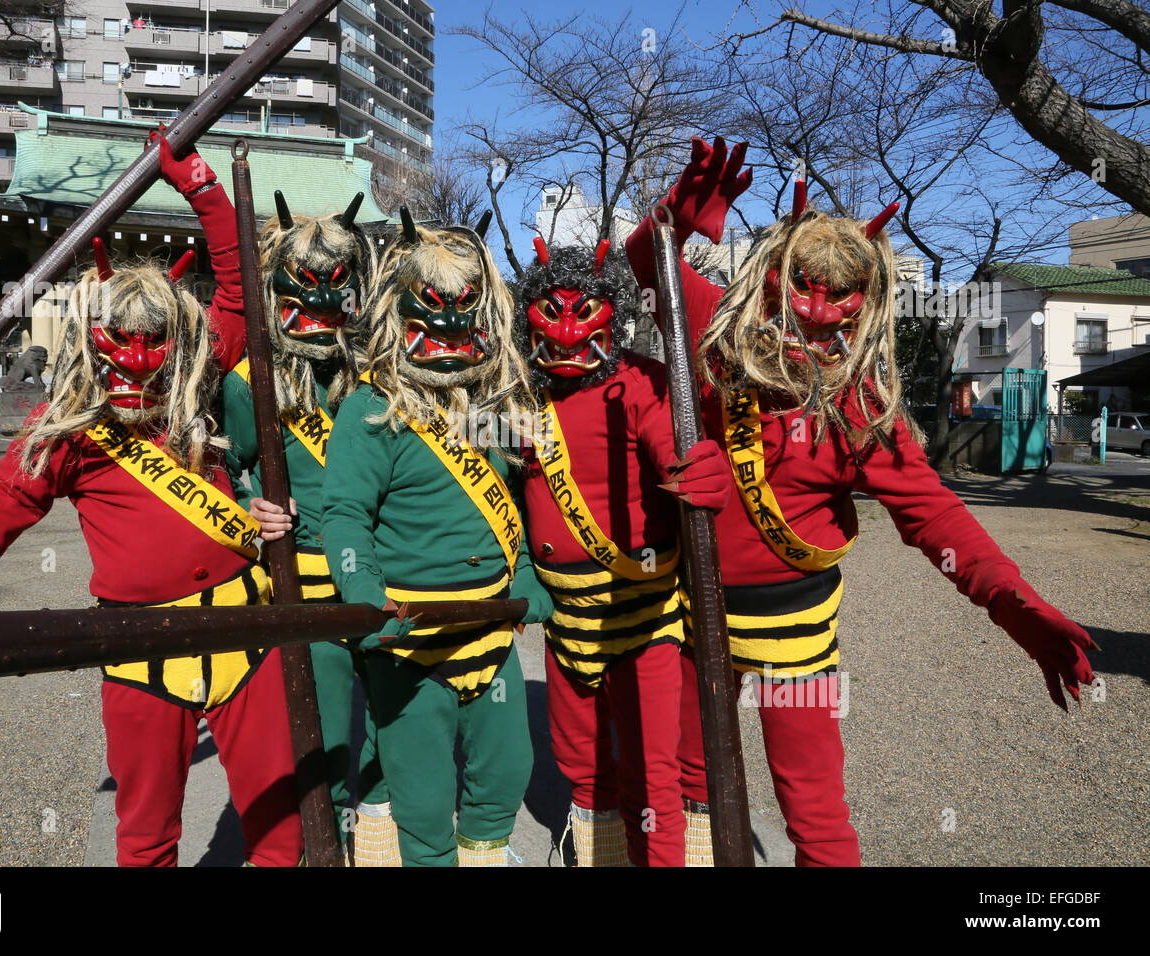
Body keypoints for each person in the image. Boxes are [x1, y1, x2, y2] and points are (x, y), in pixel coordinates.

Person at [630, 137, 1096, 866]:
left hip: (798, 637)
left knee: (812, 805)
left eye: (839, 297)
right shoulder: (716, 337)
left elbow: (933, 514)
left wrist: (1011, 601)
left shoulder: (861, 404)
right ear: (771, 278)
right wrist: (673, 220)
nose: (817, 312)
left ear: (867, 302)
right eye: (803, 288)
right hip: (699, 615)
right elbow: (649, 266)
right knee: (694, 785)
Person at [0, 134, 305, 867]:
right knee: (145, 840)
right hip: (136, 648)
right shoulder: (61, 430)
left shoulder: (197, 379)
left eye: (152, 338)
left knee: (282, 834)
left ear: (177, 341)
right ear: (91, 340)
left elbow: (237, 289)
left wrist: (203, 189)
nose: (134, 354)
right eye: (117, 338)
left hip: (244, 627)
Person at [320, 209, 552, 867]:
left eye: (465, 308)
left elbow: (514, 500)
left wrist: (528, 572)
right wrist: (363, 593)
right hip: (409, 642)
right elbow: (344, 517)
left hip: (489, 630)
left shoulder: (494, 404)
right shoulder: (370, 409)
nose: (451, 325)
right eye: (433, 309)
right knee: (422, 801)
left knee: (507, 768)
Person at [222, 189, 396, 865]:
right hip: (304, 577)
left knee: (393, 720)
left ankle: (382, 837)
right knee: (317, 727)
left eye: (337, 286)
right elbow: (230, 467)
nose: (323, 303)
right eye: (305, 288)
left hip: (382, 570)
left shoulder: (382, 376)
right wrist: (248, 509)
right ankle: (318, 841)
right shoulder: (246, 383)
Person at [514, 236, 700, 866]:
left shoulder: (641, 380)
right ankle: (601, 852)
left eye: (583, 310)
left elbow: (667, 449)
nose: (566, 331)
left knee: (655, 762)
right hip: (564, 614)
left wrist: (693, 471)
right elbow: (486, 480)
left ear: (613, 310)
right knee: (578, 753)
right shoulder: (519, 395)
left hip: (642, 607)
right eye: (551, 311)